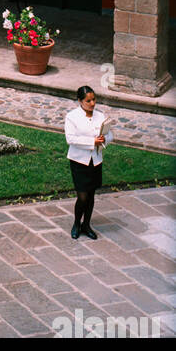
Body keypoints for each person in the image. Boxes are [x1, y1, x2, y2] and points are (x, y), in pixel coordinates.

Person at [64, 85, 112, 240]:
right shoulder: (72, 117)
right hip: (79, 161)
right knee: (83, 196)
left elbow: (111, 135)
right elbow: (70, 139)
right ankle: (77, 223)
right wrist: (92, 142)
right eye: (88, 100)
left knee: (91, 195)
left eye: (94, 99)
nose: (92, 103)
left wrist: (105, 140)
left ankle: (87, 224)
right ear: (80, 101)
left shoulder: (100, 115)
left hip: (95, 161)